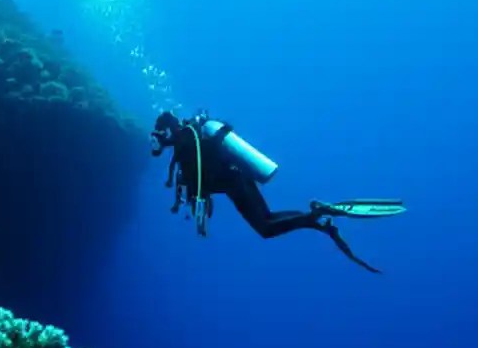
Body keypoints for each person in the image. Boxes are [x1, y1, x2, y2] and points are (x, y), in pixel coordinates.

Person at [150, 109, 404, 273]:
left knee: (266, 228)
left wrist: (197, 200)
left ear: (167, 130)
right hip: (238, 180)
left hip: (235, 184)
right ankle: (317, 218)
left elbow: (198, 181)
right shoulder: (189, 137)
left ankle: (315, 217)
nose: (159, 140)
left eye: (160, 135)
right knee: (268, 221)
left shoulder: (184, 142)